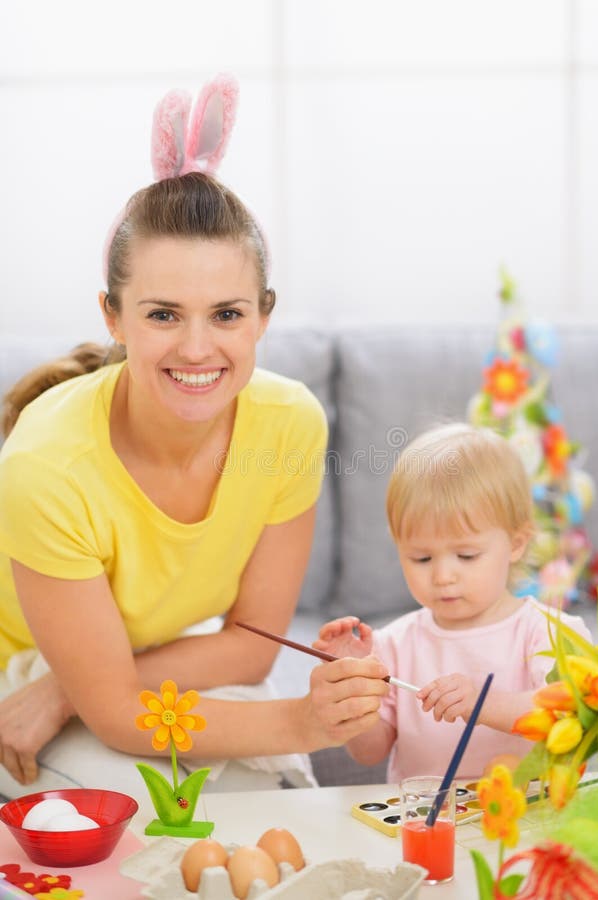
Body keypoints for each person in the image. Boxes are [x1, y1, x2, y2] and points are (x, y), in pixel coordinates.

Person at [0, 74, 388, 798]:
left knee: (272, 805)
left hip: (160, 661)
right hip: (29, 664)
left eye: (228, 315)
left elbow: (247, 648)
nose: (198, 349)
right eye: (163, 314)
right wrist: (301, 723)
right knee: (163, 814)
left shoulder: (289, 422)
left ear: (264, 316)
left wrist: (70, 692)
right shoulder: (44, 466)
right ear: (113, 317)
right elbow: (115, 713)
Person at [313, 422, 593, 783]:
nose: (443, 576)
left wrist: (482, 703)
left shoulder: (547, 632)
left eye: (466, 555)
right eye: (421, 559)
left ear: (517, 543)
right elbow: (370, 753)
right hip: (426, 825)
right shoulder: (394, 644)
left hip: (525, 817)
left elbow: (567, 713)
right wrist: (351, 688)